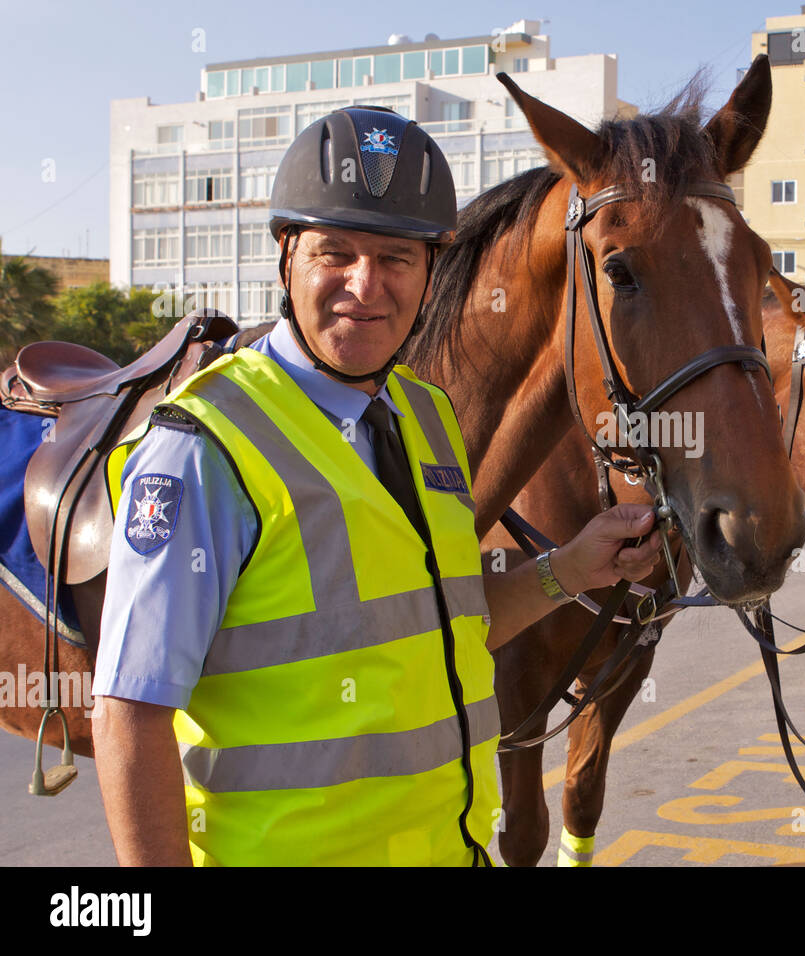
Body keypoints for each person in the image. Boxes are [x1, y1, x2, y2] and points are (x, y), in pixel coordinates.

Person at [90, 107, 662, 867]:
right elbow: (129, 713)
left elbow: (442, 632)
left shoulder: (423, 417)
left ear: (431, 273)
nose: (367, 285)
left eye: (397, 257)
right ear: (287, 255)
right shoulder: (205, 449)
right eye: (336, 252)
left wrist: (572, 568)